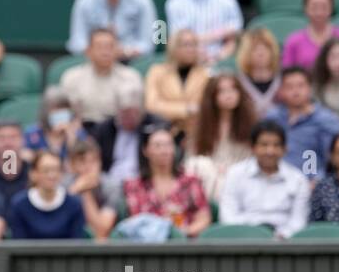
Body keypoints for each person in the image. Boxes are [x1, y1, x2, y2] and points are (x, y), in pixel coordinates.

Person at [218, 120, 310, 239]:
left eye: (276, 145)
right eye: (264, 145)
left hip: (285, 244)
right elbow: (228, 217)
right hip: (243, 241)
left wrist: (280, 236)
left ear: (285, 149)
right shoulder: (235, 174)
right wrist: (253, 235)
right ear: (253, 147)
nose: (270, 151)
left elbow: (299, 221)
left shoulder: (298, 179)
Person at [122, 125, 211, 238]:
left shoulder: (191, 181)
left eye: (168, 145)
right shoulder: (134, 185)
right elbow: (133, 221)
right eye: (157, 146)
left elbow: (204, 218)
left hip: (185, 247)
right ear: (145, 150)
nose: (164, 151)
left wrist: (182, 233)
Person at [184, 73, 255, 203]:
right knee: (200, 164)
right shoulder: (200, 127)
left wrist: (230, 171)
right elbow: (192, 161)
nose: (229, 95)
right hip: (210, 178)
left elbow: (253, 161)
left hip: (240, 179)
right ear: (212, 97)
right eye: (222, 91)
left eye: (233, 89)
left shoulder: (250, 125)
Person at [269, 67, 339, 180]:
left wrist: (318, 180)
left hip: (311, 183)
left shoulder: (326, 121)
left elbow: (335, 159)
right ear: (281, 91)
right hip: (274, 182)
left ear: (309, 88)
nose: (295, 91)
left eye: (300, 85)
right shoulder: (272, 119)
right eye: (289, 87)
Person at [59, 28, 143, 126]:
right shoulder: (72, 77)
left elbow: (135, 117)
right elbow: (67, 115)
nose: (105, 52)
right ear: (88, 51)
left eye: (109, 47)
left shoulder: (131, 77)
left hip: (118, 131)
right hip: (83, 130)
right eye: (99, 47)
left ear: (118, 50)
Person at [6, 151, 86, 240]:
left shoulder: (74, 204)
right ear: (33, 173)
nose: (51, 175)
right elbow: (18, 244)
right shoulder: (19, 204)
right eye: (46, 170)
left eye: (56, 170)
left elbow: (77, 244)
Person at [144, 29, 208, 137]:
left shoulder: (205, 74)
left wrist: (170, 109)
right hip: (163, 131)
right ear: (174, 47)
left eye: (194, 45)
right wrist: (186, 110)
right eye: (186, 45)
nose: (191, 49)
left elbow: (204, 108)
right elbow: (152, 105)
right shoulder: (157, 72)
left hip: (196, 133)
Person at [281, 0, 339, 72]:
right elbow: (287, 73)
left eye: (324, 6)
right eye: (314, 6)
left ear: (331, 8)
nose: (319, 12)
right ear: (306, 8)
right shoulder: (293, 41)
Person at [67, 138, 115, 241]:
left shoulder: (112, 186)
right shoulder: (63, 185)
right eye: (82, 161)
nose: (89, 166)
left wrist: (84, 191)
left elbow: (101, 230)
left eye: (94, 161)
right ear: (72, 165)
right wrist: (74, 191)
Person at [21, 87, 83, 164]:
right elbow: (23, 154)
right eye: (55, 109)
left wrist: (71, 141)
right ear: (45, 111)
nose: (60, 112)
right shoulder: (32, 133)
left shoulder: (78, 133)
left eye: (64, 108)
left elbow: (83, 161)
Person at [237, 27, 282, 116]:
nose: (260, 53)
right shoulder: (238, 83)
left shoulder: (283, 80)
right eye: (254, 49)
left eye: (265, 48)